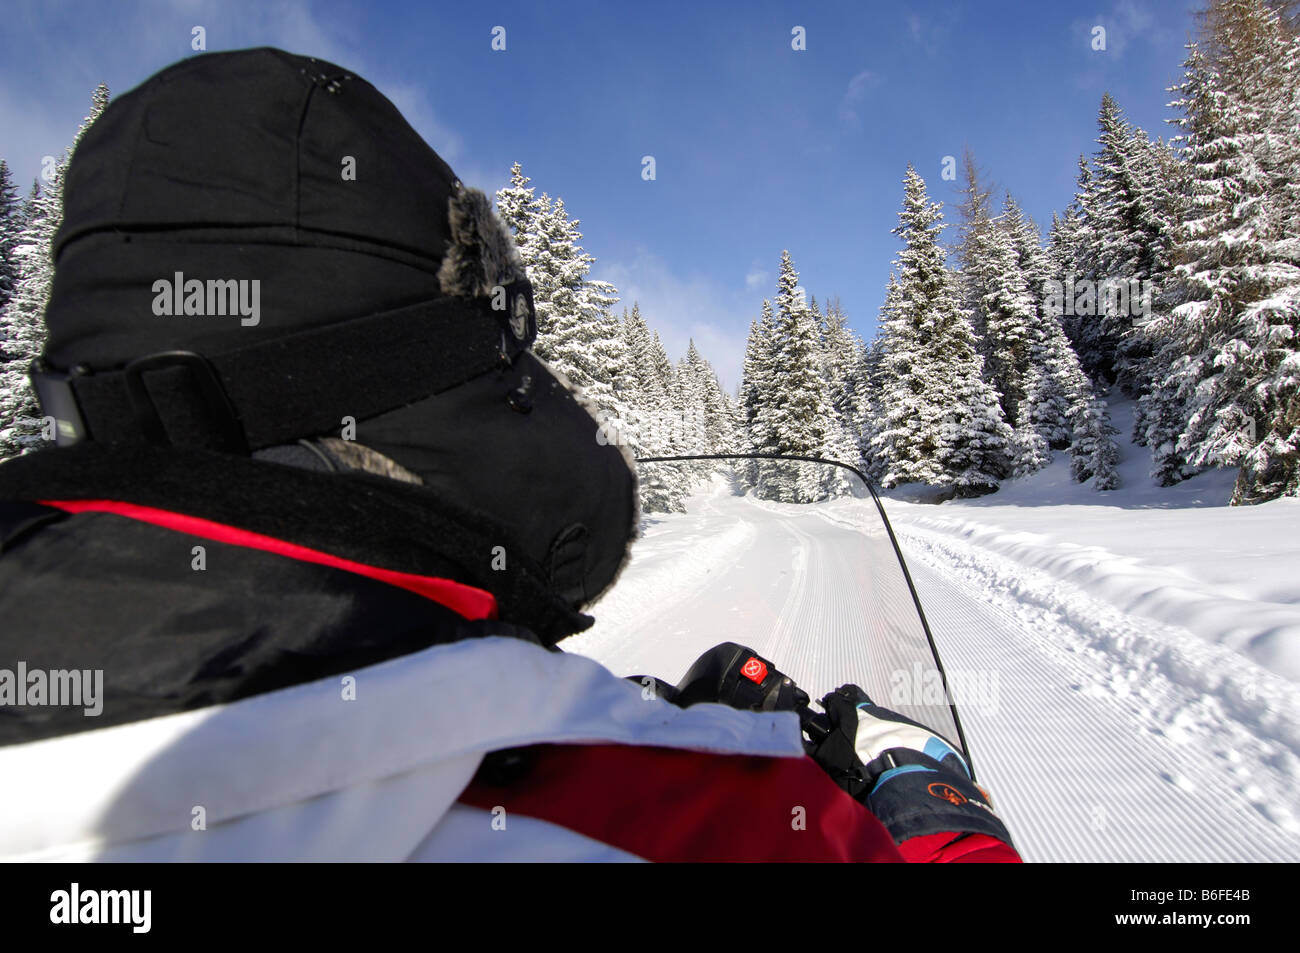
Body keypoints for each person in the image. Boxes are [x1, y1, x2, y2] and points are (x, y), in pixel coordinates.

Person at [0, 47, 1019, 863]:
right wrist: (933, 806)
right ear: (418, 360)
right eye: (495, 334)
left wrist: (637, 712)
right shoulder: (681, 820)